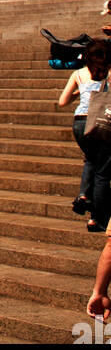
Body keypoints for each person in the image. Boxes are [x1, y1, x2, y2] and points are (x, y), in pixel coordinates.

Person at [58, 38, 109, 230]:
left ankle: (83, 194)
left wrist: (80, 92)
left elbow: (63, 101)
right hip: (101, 122)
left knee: (91, 160)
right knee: (103, 173)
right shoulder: (109, 72)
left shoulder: (78, 74)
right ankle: (98, 217)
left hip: (79, 123)